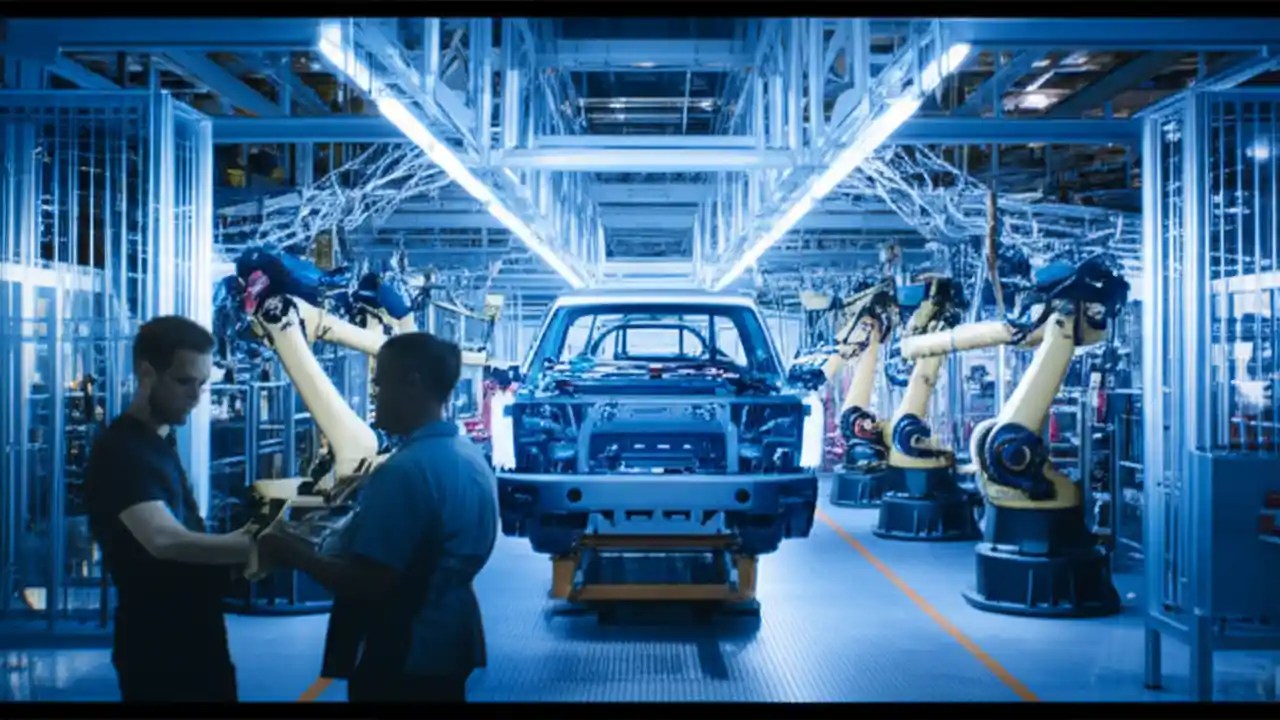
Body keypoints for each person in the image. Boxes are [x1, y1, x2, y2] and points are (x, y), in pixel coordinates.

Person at [257, 331, 498, 703]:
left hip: (403, 651)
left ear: (412, 382)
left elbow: (369, 582)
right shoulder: (469, 458)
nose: (374, 396)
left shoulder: (405, 472)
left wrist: (291, 552)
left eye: (380, 384)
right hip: (452, 639)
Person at [85, 315, 256, 702]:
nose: (195, 396)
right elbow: (162, 539)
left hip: (192, 640)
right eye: (183, 382)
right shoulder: (123, 451)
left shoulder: (158, 443)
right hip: (161, 652)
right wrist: (260, 545)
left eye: (202, 384)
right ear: (147, 373)